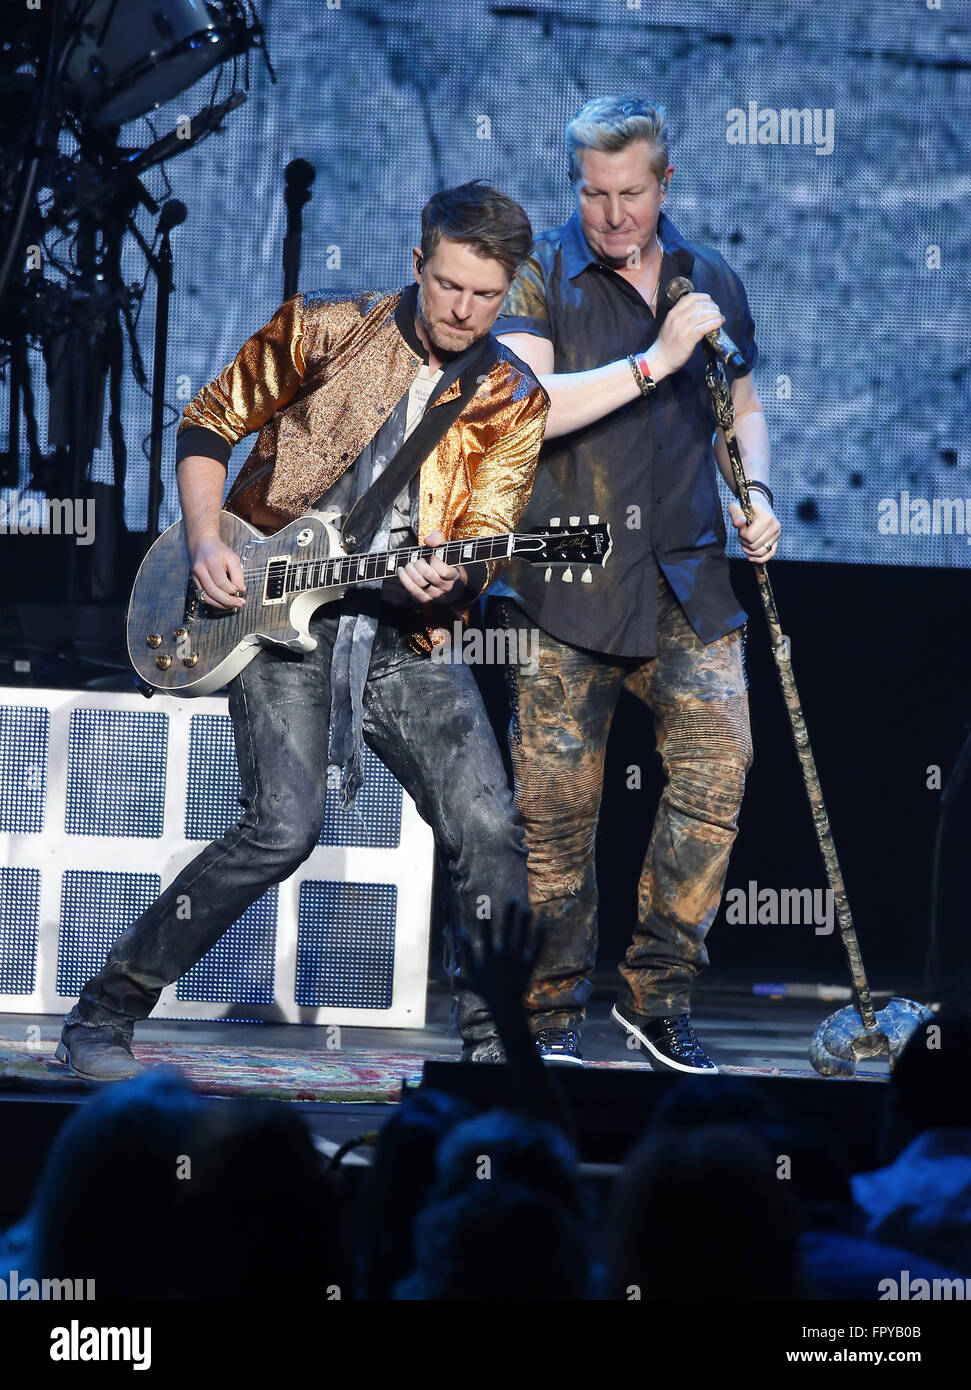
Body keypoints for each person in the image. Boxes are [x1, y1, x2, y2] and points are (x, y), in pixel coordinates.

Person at [55, 181, 549, 1081]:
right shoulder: (327, 327)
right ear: (417, 263)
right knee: (282, 830)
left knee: (488, 825)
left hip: (407, 634)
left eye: (484, 295)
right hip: (275, 607)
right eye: (448, 285)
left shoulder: (513, 397)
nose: (462, 309)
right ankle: (105, 1012)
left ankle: (491, 1055)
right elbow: (209, 422)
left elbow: (486, 530)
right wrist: (207, 540)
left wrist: (454, 573)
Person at [492, 95, 781, 1069]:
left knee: (717, 771)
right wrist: (654, 361)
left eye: (631, 193)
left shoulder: (708, 278)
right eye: (593, 194)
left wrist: (755, 492)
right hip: (563, 579)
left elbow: (740, 405)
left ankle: (659, 996)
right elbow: (529, 407)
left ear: (666, 181)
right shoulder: (536, 273)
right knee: (553, 817)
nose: (612, 216)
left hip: (686, 578)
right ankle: (547, 1016)